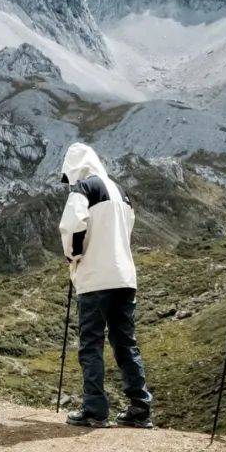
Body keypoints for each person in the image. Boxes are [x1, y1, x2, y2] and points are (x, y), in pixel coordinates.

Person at [58, 142, 153, 429]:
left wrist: (72, 255)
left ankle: (95, 410)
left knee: (91, 343)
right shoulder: (119, 191)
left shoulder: (84, 189)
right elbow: (128, 228)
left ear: (74, 168)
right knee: (125, 342)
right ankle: (140, 407)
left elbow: (71, 226)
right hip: (125, 276)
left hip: (96, 278)